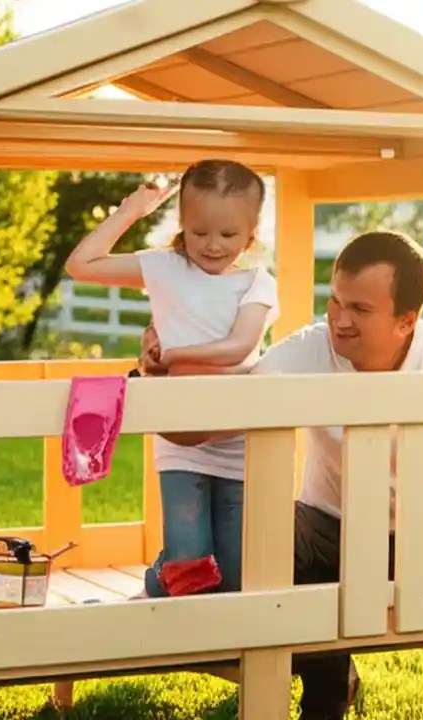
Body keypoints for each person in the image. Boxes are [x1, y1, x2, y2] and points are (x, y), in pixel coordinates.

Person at [139, 230, 423, 719]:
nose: (339, 319)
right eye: (335, 301)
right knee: (252, 543)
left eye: (360, 309)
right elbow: (208, 427)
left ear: (407, 321)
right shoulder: (307, 351)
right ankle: (327, 686)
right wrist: (158, 375)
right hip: (325, 534)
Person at [65, 158, 279, 598]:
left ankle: (166, 588)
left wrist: (169, 356)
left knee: (236, 574)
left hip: (235, 439)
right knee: (190, 561)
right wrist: (132, 210)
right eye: (200, 232)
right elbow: (81, 265)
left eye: (228, 235)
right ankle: (159, 580)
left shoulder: (258, 282)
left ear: (251, 232)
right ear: (182, 222)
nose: (213, 246)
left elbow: (237, 348)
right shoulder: (163, 268)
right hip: (180, 439)